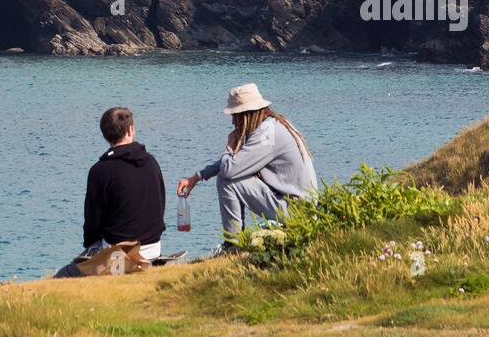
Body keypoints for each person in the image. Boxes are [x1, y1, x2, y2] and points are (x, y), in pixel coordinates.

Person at [177, 83, 317, 239]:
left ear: (245, 114)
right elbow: (239, 162)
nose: (233, 121)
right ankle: (235, 240)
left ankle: (233, 243)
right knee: (229, 172)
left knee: (227, 180)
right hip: (301, 207)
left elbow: (229, 170)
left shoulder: (266, 136)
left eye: (234, 116)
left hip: (297, 211)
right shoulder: (270, 125)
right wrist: (197, 177)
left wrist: (230, 146)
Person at [82, 106, 166, 259]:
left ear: (105, 135)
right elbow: (161, 203)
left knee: (67, 273)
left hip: (117, 250)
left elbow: (93, 220)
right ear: (130, 130)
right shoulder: (151, 161)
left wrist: (89, 244)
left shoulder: (99, 171)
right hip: (153, 246)